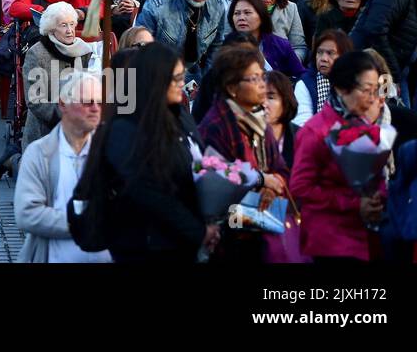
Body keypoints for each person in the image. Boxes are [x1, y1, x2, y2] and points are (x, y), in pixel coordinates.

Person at [91, 43, 215, 262]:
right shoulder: (125, 126)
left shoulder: (180, 115)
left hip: (183, 243)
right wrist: (197, 230)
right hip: (147, 245)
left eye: (182, 77)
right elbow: (145, 190)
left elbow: (197, 162)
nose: (181, 84)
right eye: (175, 78)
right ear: (154, 79)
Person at [290, 51, 388, 262]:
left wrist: (377, 198)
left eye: (375, 90)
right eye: (366, 90)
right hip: (329, 241)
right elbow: (301, 187)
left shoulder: (365, 126)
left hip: (365, 236)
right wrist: (353, 203)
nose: (372, 99)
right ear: (342, 88)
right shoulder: (315, 131)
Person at [196, 44, 291, 261]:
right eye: (254, 79)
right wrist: (260, 183)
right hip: (230, 241)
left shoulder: (259, 120)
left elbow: (281, 168)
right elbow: (216, 195)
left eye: (262, 77)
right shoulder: (216, 126)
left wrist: (273, 187)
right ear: (231, 88)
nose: (262, 86)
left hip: (261, 228)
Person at [15, 70, 112, 262]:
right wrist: (81, 225)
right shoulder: (39, 154)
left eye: (100, 103)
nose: (95, 109)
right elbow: (27, 213)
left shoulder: (110, 151)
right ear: (62, 104)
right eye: (86, 102)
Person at [22, 2, 96, 149]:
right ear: (51, 29)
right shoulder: (36, 54)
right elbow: (35, 101)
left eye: (72, 24)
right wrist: (68, 115)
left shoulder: (85, 51)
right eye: (63, 25)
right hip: (44, 134)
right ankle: (13, 159)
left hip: (79, 133)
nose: (70, 31)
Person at [294, 28, 353, 128]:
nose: (323, 59)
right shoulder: (305, 84)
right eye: (319, 52)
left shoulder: (356, 82)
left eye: (330, 53)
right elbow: (302, 125)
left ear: (344, 56)